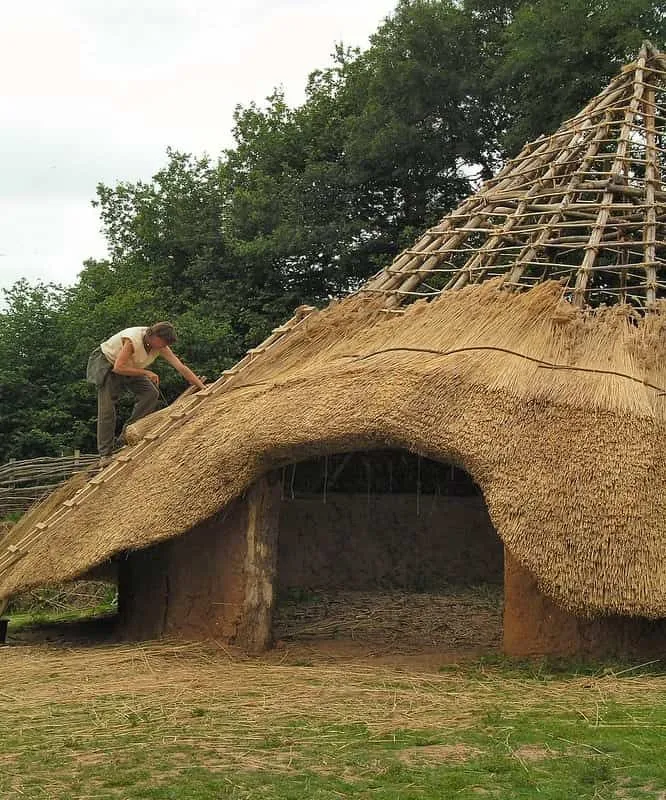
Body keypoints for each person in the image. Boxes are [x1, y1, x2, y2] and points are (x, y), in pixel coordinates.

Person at [86, 322, 205, 466]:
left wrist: (202, 388)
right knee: (107, 409)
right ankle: (105, 454)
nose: (164, 346)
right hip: (108, 363)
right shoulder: (132, 339)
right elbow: (119, 367)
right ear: (154, 336)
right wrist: (146, 372)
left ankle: (126, 436)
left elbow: (181, 367)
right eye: (164, 342)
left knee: (150, 393)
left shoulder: (160, 346)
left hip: (130, 366)